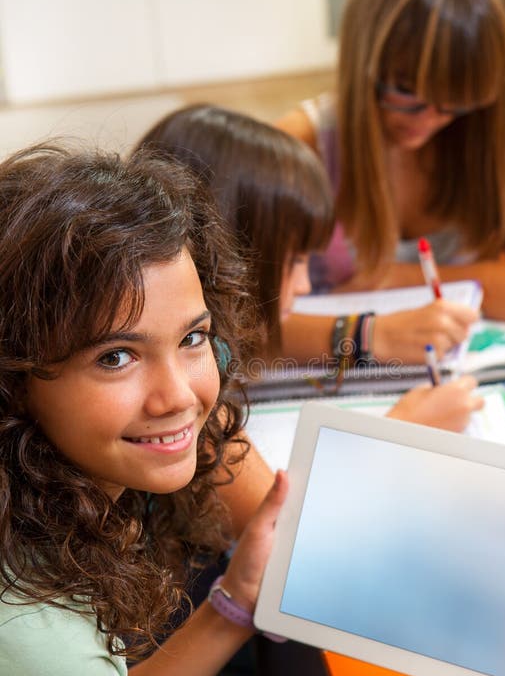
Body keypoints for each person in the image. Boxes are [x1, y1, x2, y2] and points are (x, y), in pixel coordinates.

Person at [0, 144, 505, 676]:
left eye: (192, 339)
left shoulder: (49, 505)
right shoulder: (32, 626)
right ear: (15, 378)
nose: (180, 396)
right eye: (115, 356)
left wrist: (235, 603)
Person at [277, 0, 505, 371]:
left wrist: (391, 280)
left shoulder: (489, 120)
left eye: (456, 103)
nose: (431, 120)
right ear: (365, 57)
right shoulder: (298, 148)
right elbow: (228, 329)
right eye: (407, 93)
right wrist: (366, 334)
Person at [136, 103, 483, 438]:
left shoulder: (210, 357)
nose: (304, 286)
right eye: (294, 260)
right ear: (230, 254)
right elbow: (289, 499)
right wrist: (405, 430)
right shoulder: (189, 399)